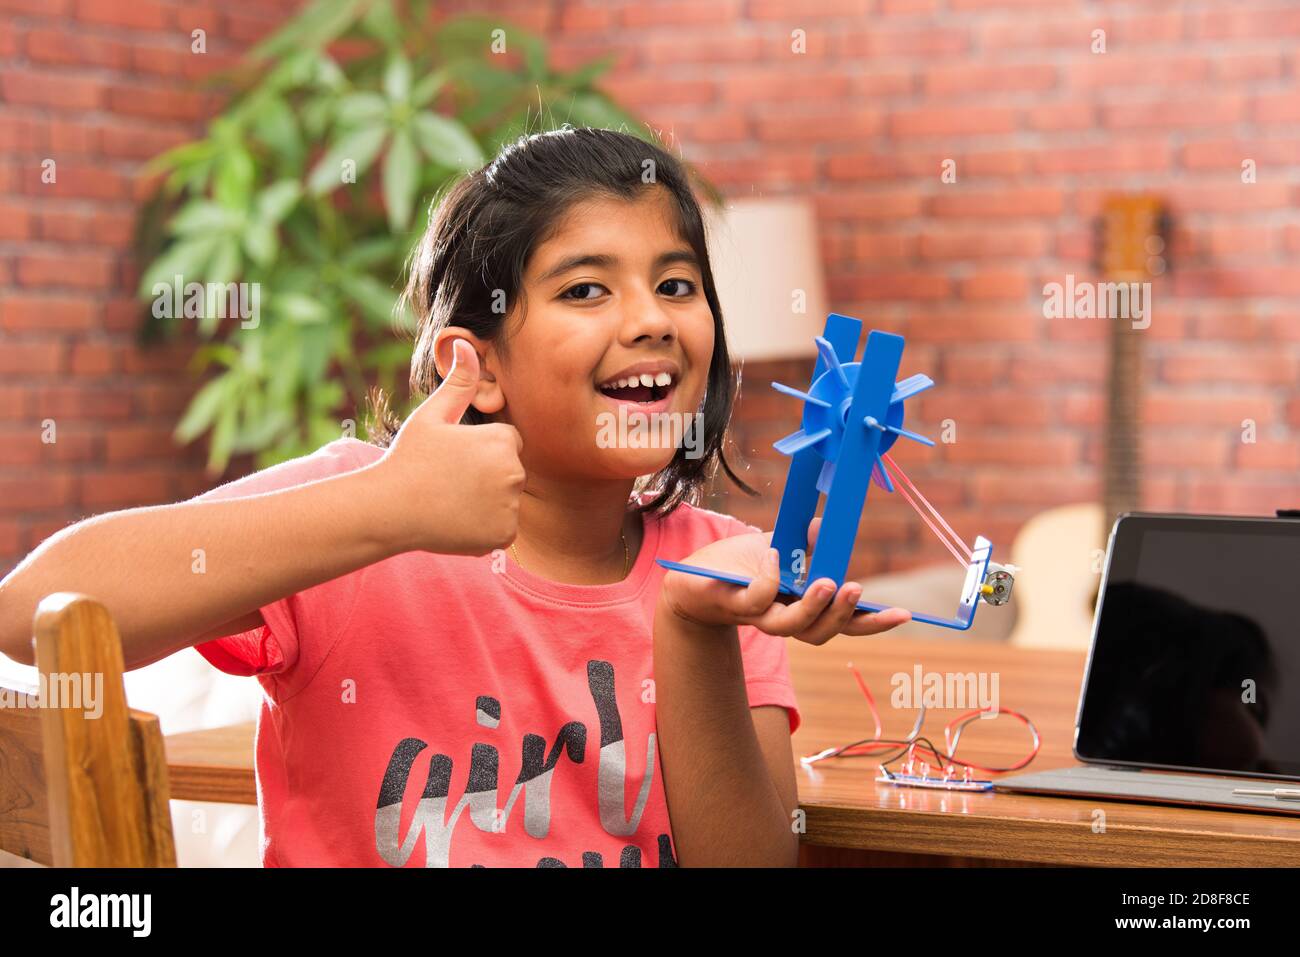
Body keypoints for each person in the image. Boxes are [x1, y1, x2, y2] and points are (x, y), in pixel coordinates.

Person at [0, 126, 910, 867]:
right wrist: (385, 510)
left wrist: (693, 627)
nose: (652, 319)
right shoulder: (367, 512)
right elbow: (29, 612)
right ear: (474, 364)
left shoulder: (719, 569)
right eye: (586, 289)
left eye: (677, 285)